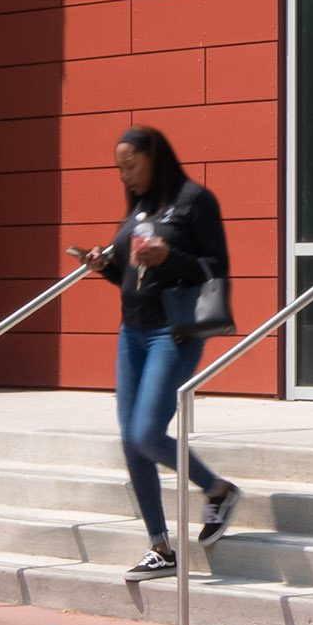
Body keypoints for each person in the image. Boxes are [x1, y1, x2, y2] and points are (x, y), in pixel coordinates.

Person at [62, 125, 241, 586]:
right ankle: (160, 547)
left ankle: (217, 488)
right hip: (132, 332)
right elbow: (135, 274)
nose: (124, 176)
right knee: (131, 440)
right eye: (119, 169)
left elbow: (216, 267)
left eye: (131, 165)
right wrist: (107, 266)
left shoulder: (196, 200)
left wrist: (170, 256)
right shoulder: (140, 206)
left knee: (146, 433)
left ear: (154, 157)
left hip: (173, 330)